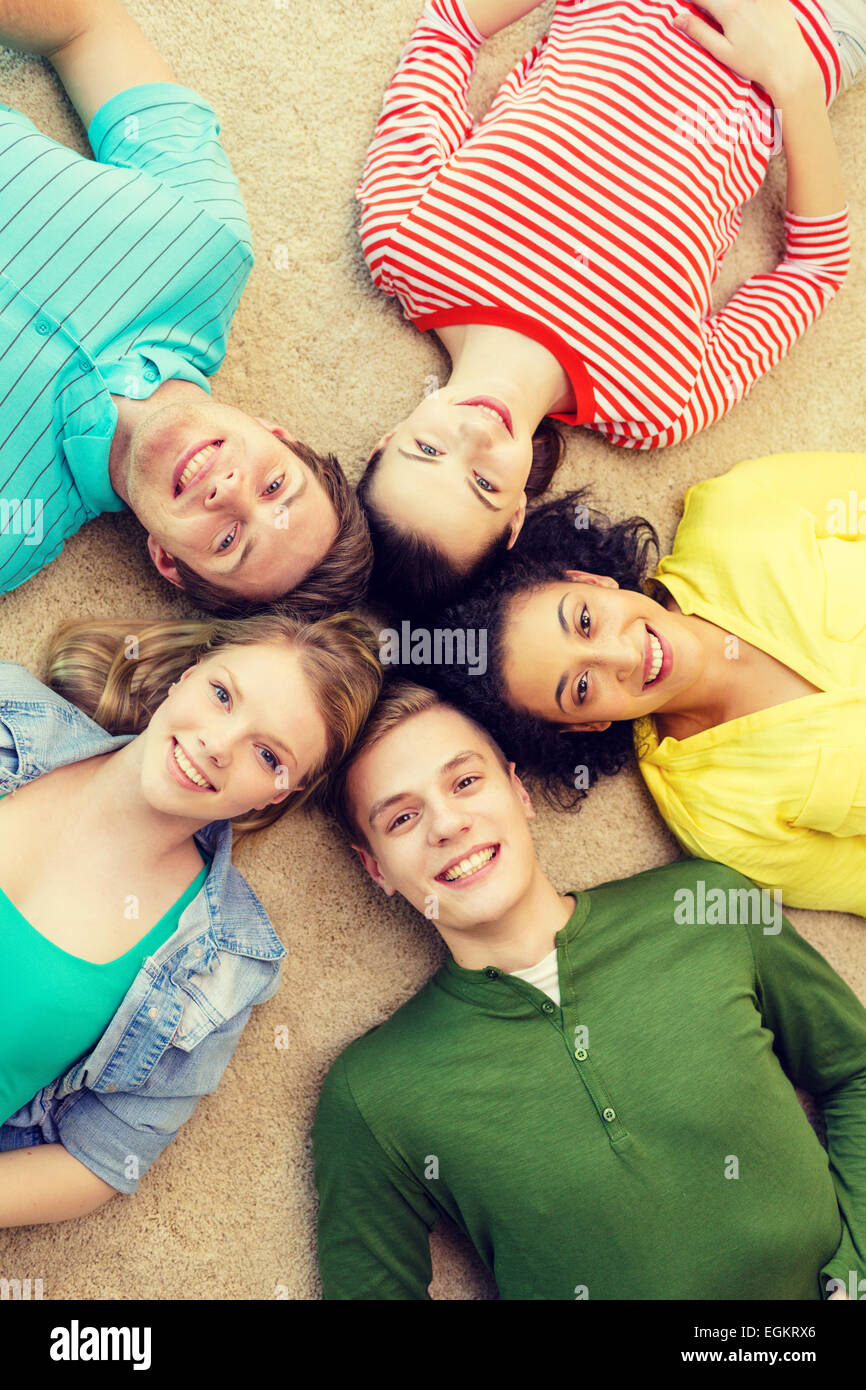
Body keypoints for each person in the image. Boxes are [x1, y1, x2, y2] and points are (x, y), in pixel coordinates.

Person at [312, 684, 866, 1299]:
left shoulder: (706, 908)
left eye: (465, 782)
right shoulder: (372, 1092)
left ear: (518, 790)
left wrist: (857, 1267)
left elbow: (856, 1068)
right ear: (376, 868)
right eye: (403, 818)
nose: (448, 824)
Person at [354, 0, 858, 612]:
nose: (475, 434)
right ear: (516, 515)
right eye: (483, 484)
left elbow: (449, 26)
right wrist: (795, 83)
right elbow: (816, 266)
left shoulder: (403, 245)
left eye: (428, 450)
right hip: (816, 34)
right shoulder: (654, 403)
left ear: (387, 439)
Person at [0, 609, 381, 1224]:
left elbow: (99, 1160)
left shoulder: (221, 964)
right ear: (189, 673)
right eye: (223, 694)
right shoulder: (8, 712)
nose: (217, 744)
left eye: (267, 754)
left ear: (278, 794)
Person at [0, 0, 372, 614]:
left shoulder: (13, 535)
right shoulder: (209, 243)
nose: (229, 491)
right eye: (275, 484)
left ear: (168, 561)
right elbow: (85, 28)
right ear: (277, 434)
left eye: (229, 541)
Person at [429, 450, 866, 917]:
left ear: (593, 581)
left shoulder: (739, 510)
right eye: (581, 688)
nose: (624, 655)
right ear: (589, 725)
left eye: (584, 620)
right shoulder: (716, 819)